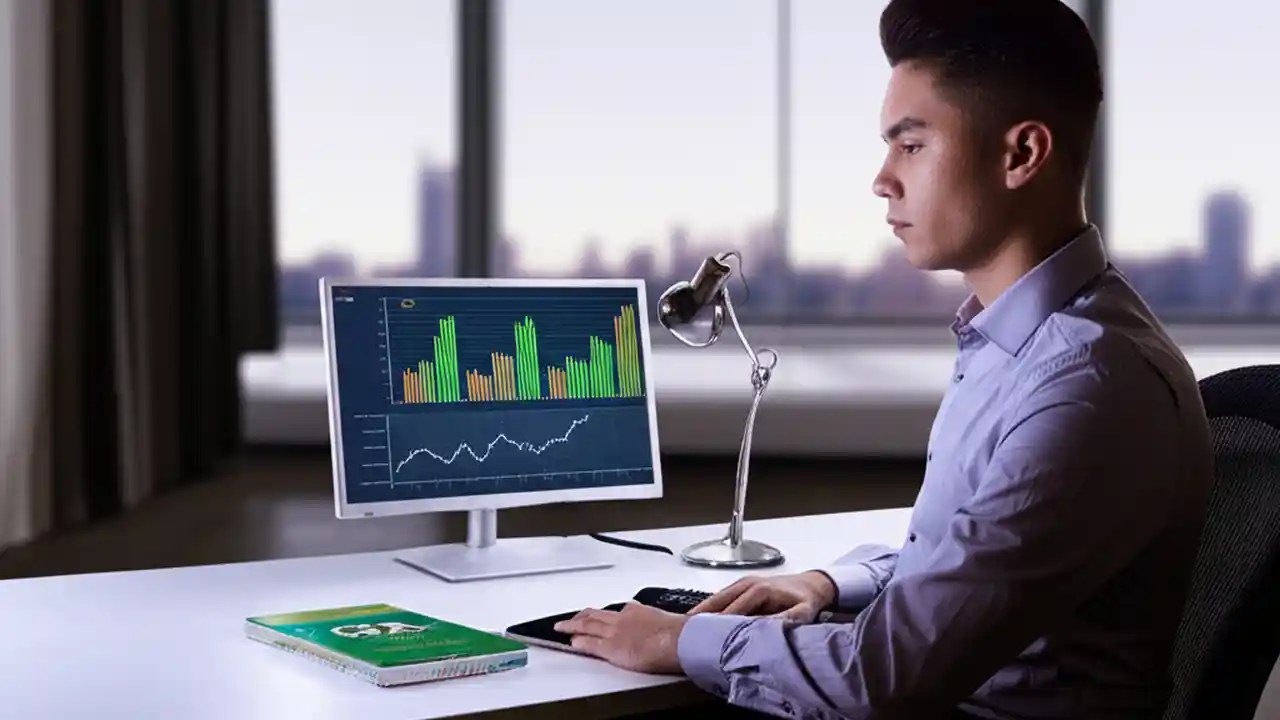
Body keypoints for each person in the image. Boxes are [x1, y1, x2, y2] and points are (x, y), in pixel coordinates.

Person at [553, 0, 1215, 717]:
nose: (881, 179)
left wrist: (682, 641)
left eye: (912, 145)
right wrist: (831, 585)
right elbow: (973, 567)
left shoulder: (1088, 384)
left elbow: (885, 674)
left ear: (1021, 154)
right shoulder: (1022, 343)